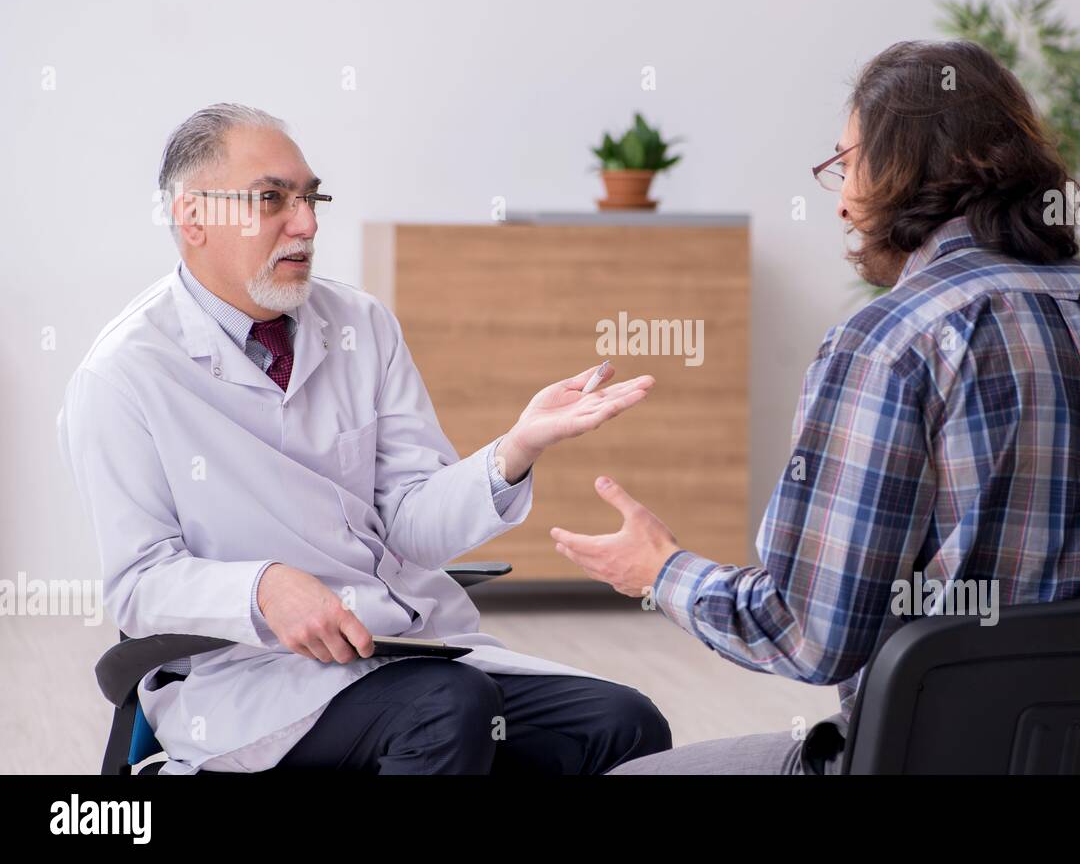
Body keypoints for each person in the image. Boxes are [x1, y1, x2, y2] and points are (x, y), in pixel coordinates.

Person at [552, 39, 1080, 775]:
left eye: (846, 163)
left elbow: (809, 632)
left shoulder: (893, 342)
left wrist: (660, 568)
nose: (839, 198)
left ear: (904, 165)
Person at [58, 103, 671, 774]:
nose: (308, 223)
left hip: (399, 644)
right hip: (250, 674)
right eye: (273, 199)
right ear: (192, 216)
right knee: (448, 708)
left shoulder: (361, 323)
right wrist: (262, 589)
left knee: (624, 723)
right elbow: (139, 583)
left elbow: (409, 523)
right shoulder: (124, 372)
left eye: (310, 196)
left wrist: (514, 448)